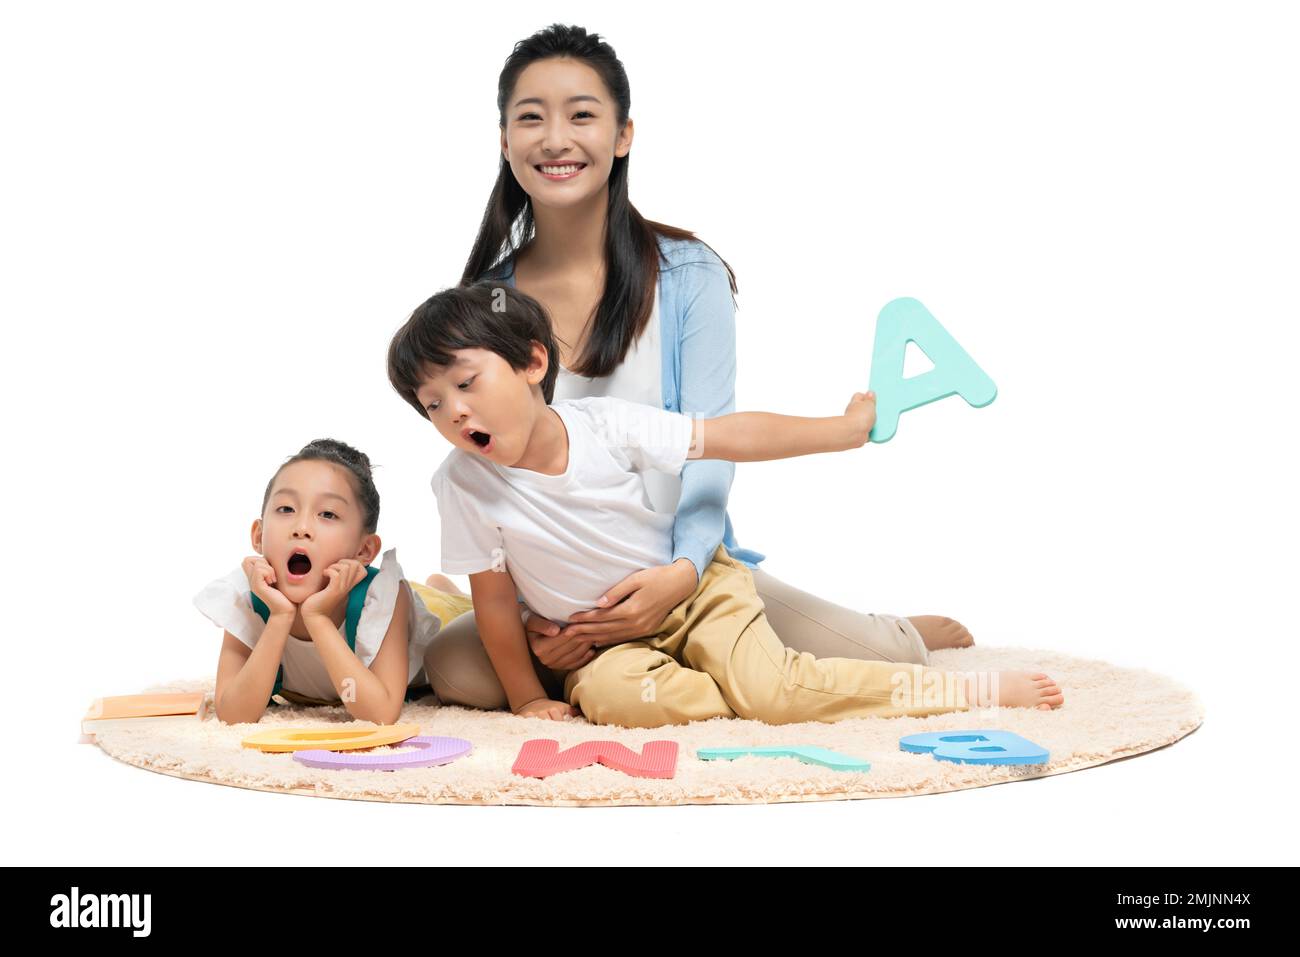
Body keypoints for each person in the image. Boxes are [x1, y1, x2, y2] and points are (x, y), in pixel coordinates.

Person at [421, 24, 974, 711]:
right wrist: (538, 624)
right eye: (530, 118)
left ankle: (876, 633)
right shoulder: (489, 300)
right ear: (505, 142)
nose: (555, 139)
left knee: (880, 658)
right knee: (455, 670)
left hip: (680, 567)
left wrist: (680, 573)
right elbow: (490, 466)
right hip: (562, 590)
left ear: (623, 134)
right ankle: (619, 662)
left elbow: (712, 446)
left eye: (582, 115)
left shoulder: (687, 274)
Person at [386, 284, 1064, 726]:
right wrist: (532, 696)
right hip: (600, 643)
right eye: (434, 404)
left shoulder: (605, 425)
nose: (454, 412)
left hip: (697, 595)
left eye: (466, 383)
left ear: (533, 362)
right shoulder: (462, 485)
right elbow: (497, 606)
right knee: (622, 699)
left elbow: (725, 436)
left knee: (776, 690)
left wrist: (838, 430)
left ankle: (950, 678)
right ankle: (756, 683)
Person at [193, 438, 472, 724]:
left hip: (436, 619)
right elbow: (233, 714)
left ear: (364, 551)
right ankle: (437, 586)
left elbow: (380, 715)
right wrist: (279, 618)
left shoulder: (382, 597)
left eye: (327, 514)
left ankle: (442, 589)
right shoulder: (247, 595)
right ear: (258, 535)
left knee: (455, 614)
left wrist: (318, 619)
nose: (301, 528)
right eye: (286, 509)